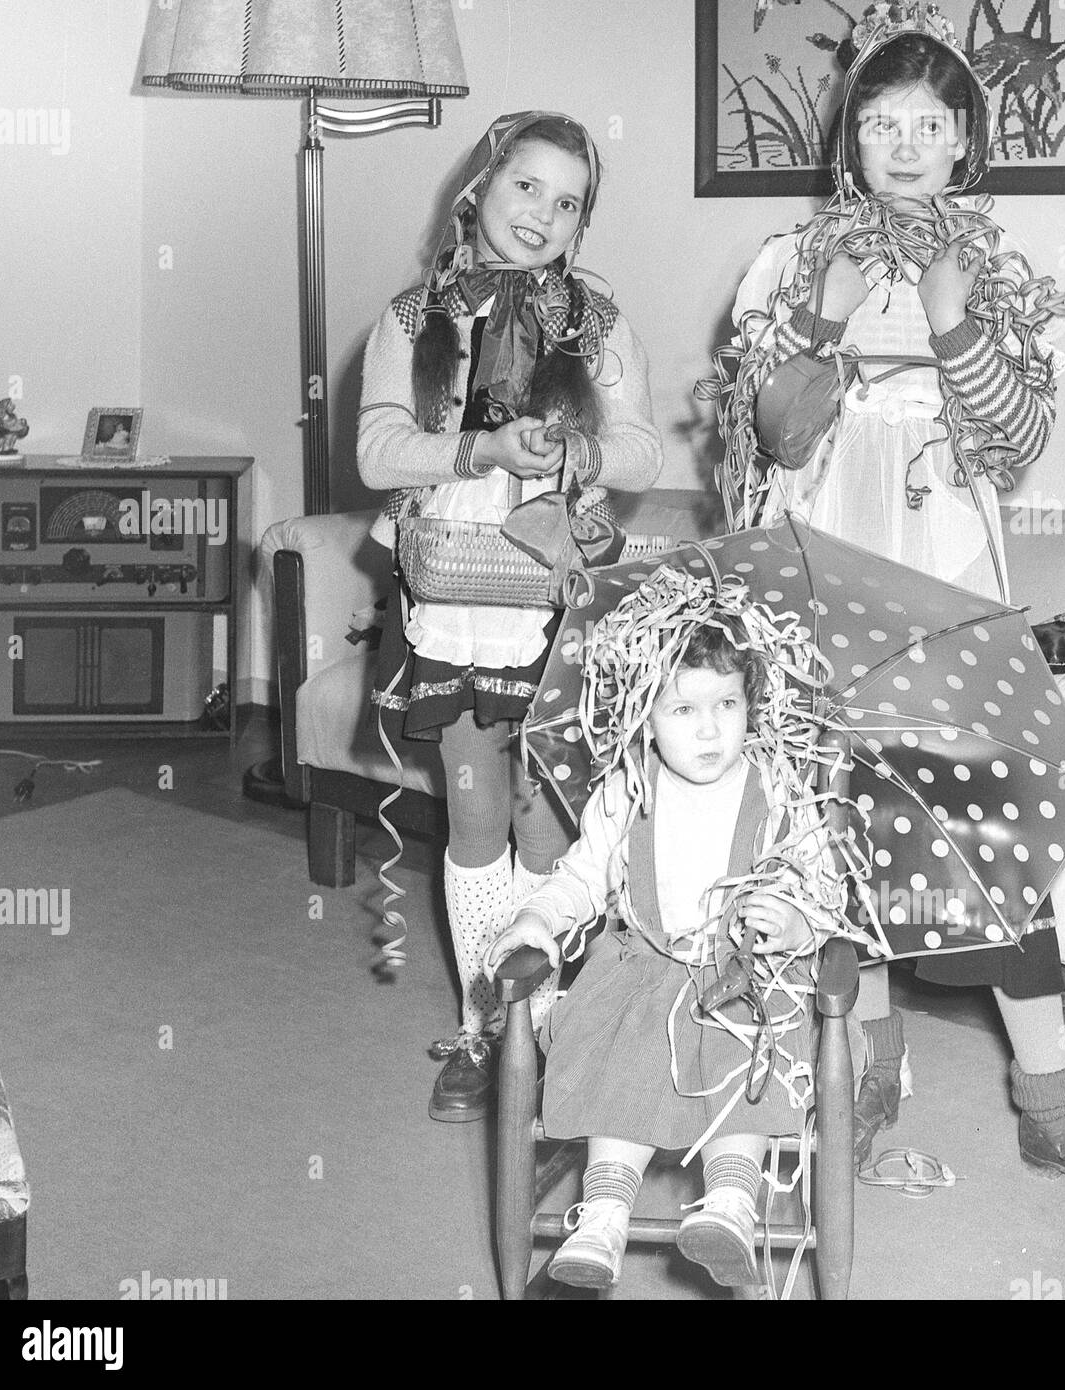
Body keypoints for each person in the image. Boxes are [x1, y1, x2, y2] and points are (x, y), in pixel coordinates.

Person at [717, 5, 1065, 1220]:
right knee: (838, 849)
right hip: (823, 590)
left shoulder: (1001, 268)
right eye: (881, 123)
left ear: (966, 137)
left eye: (930, 123)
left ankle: (1055, 1116)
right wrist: (822, 312)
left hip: (951, 599)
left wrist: (947, 312)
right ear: (850, 137)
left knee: (993, 852)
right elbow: (769, 436)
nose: (906, 144)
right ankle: (863, 1095)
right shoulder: (788, 257)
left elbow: (1017, 442)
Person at [358, 111, 662, 1123]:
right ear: (481, 187)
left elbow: (642, 454)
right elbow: (375, 452)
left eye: (566, 200)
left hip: (554, 601)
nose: (541, 213)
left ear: (580, 226)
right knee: (474, 814)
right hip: (451, 595)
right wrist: (479, 454)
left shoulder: (601, 322)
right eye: (526, 186)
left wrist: (573, 454)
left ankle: (546, 1030)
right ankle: (484, 1026)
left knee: (544, 820)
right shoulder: (408, 319)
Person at [485, 571, 856, 1291]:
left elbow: (826, 894)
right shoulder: (628, 788)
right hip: (642, 969)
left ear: (754, 704)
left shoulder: (777, 789)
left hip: (746, 980)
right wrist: (536, 917)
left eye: (727, 704)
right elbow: (581, 877)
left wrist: (794, 923)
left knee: (746, 1062)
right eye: (683, 708)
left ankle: (729, 1204)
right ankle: (602, 1216)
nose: (711, 728)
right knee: (620, 1061)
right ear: (640, 716)